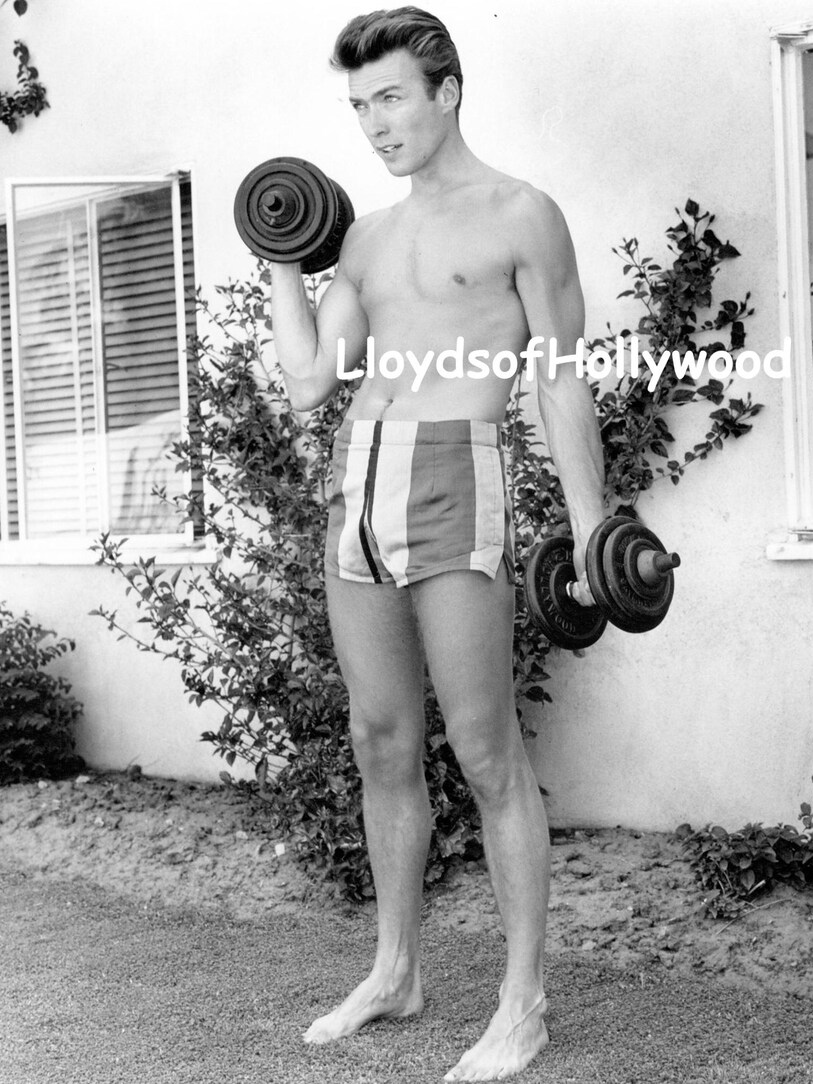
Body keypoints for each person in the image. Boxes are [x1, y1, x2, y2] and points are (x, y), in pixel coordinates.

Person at [269, 8, 605, 1080]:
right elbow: (315, 379)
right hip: (358, 482)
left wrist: (592, 518)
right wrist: (281, 257)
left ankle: (523, 1004)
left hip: (460, 473)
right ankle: (397, 969)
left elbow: (558, 373)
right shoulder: (363, 237)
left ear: (446, 92)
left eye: (392, 98)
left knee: (485, 744)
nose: (374, 124)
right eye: (360, 105)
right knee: (380, 736)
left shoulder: (521, 214)